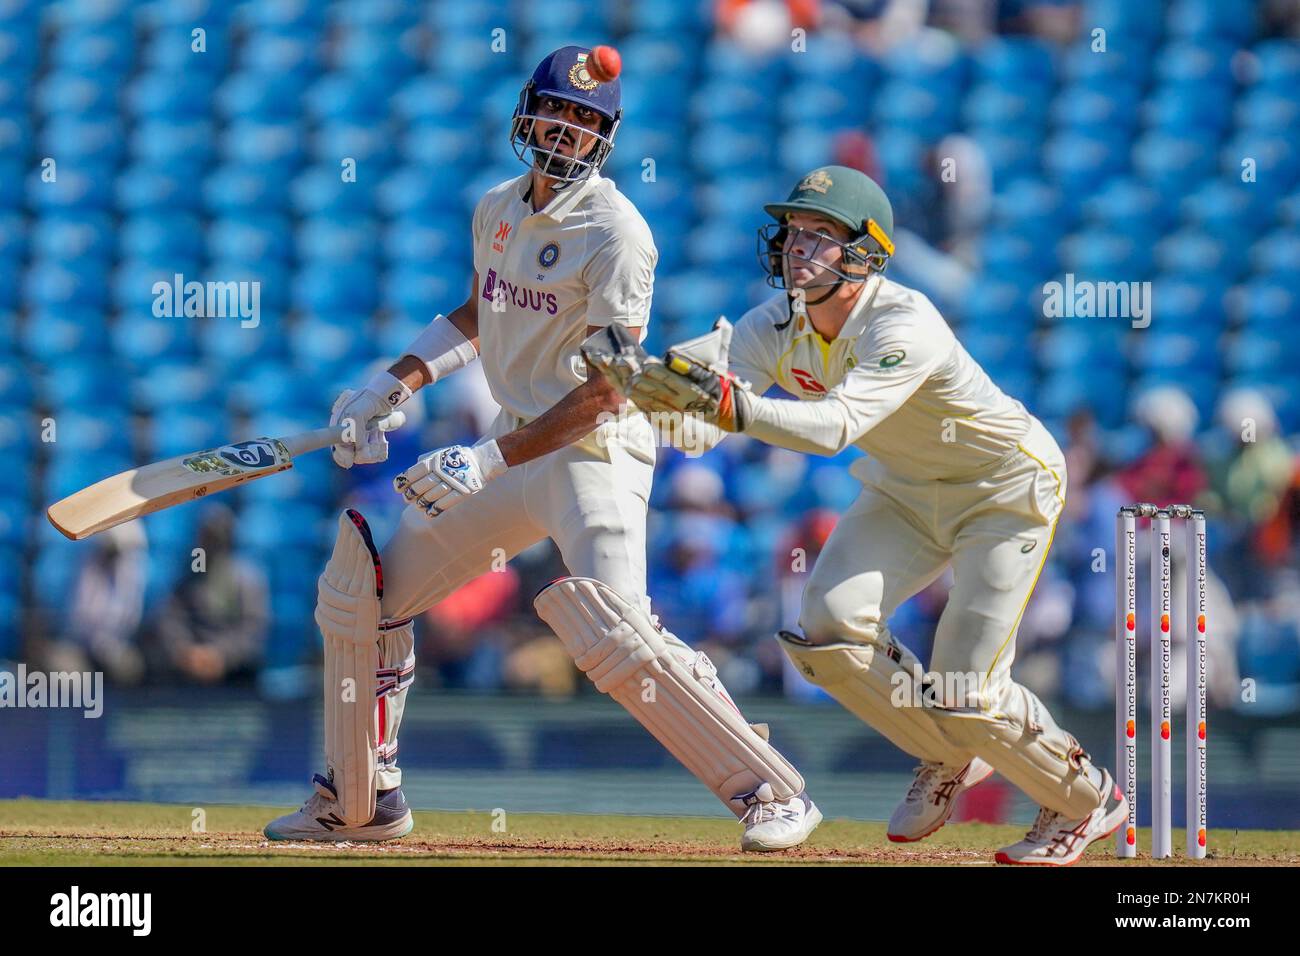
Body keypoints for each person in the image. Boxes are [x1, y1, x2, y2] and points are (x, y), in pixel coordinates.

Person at [264, 47, 820, 851]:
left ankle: (771, 790)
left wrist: (487, 460)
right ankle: (361, 799)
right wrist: (391, 384)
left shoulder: (618, 232)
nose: (569, 130)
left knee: (615, 632)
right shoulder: (497, 207)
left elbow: (610, 388)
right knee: (363, 594)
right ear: (529, 111)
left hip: (593, 449)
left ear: (608, 136)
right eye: (559, 111)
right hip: (516, 446)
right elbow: (479, 311)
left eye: (588, 121)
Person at [591, 165, 1128, 865]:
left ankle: (1085, 799)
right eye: (794, 233)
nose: (799, 248)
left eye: (821, 236)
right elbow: (701, 420)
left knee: (967, 686)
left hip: (1003, 489)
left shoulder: (904, 321)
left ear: (865, 253)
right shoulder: (772, 325)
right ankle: (947, 757)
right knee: (827, 633)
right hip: (906, 489)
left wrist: (731, 407)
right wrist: (646, 390)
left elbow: (833, 428)